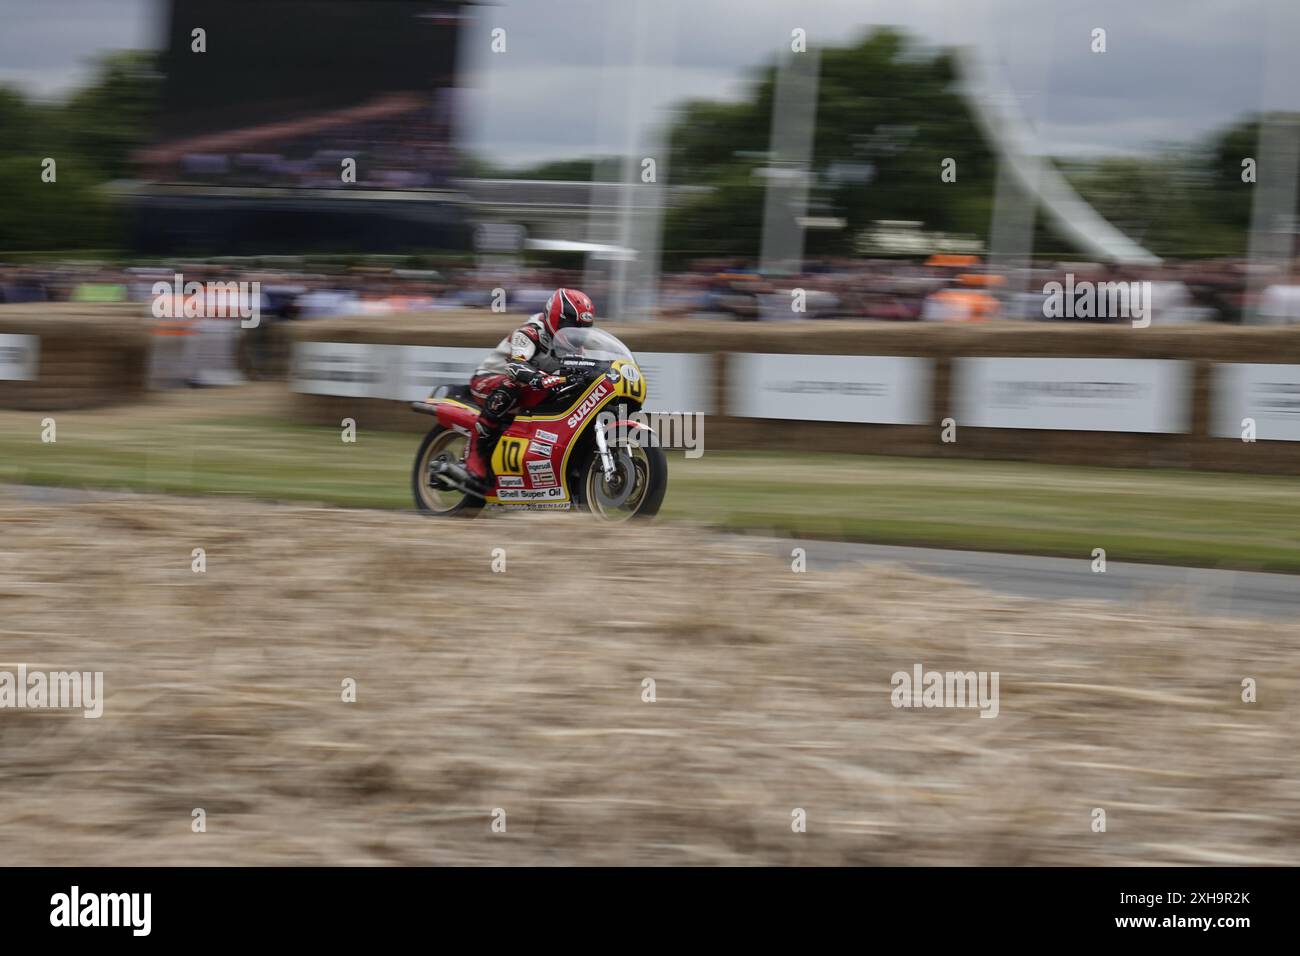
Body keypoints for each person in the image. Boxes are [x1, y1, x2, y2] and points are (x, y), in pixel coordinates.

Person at [449, 288, 597, 496]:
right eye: (572, 326)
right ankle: (476, 451)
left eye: (582, 328)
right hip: (487, 380)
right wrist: (540, 378)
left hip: (530, 388)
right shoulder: (530, 332)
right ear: (555, 318)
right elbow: (515, 367)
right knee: (513, 384)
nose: (576, 333)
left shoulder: (576, 349)